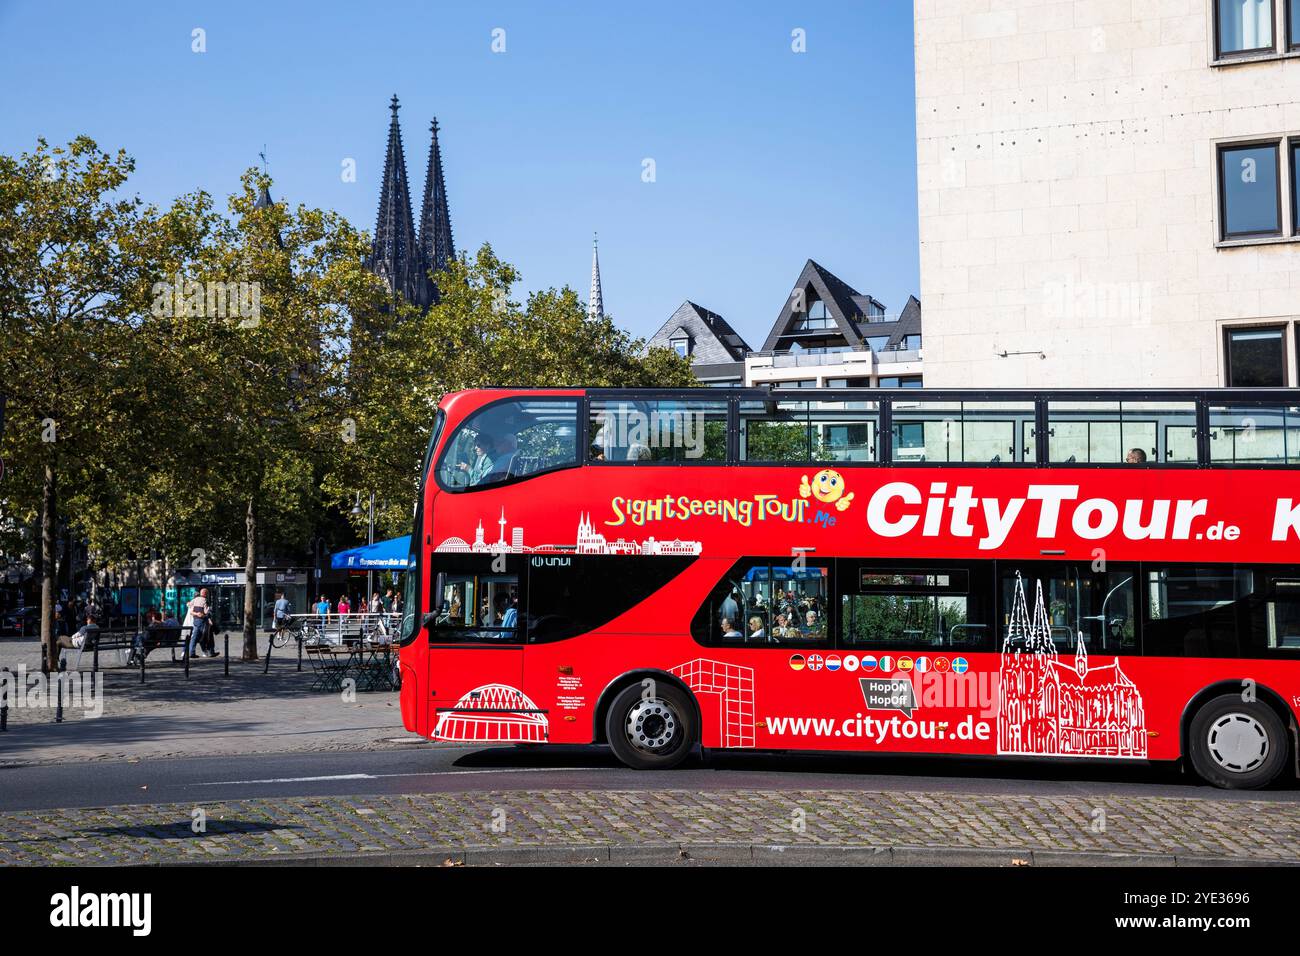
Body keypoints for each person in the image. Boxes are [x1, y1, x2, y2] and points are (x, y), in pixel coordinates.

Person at [183, 588, 210, 657]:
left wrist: (194, 612)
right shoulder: (205, 600)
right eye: (207, 593)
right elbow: (206, 612)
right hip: (201, 621)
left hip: (195, 620)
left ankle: (203, 651)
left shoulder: (195, 599)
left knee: (197, 636)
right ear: (205, 594)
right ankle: (192, 652)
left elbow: (188, 604)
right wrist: (204, 613)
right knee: (198, 637)